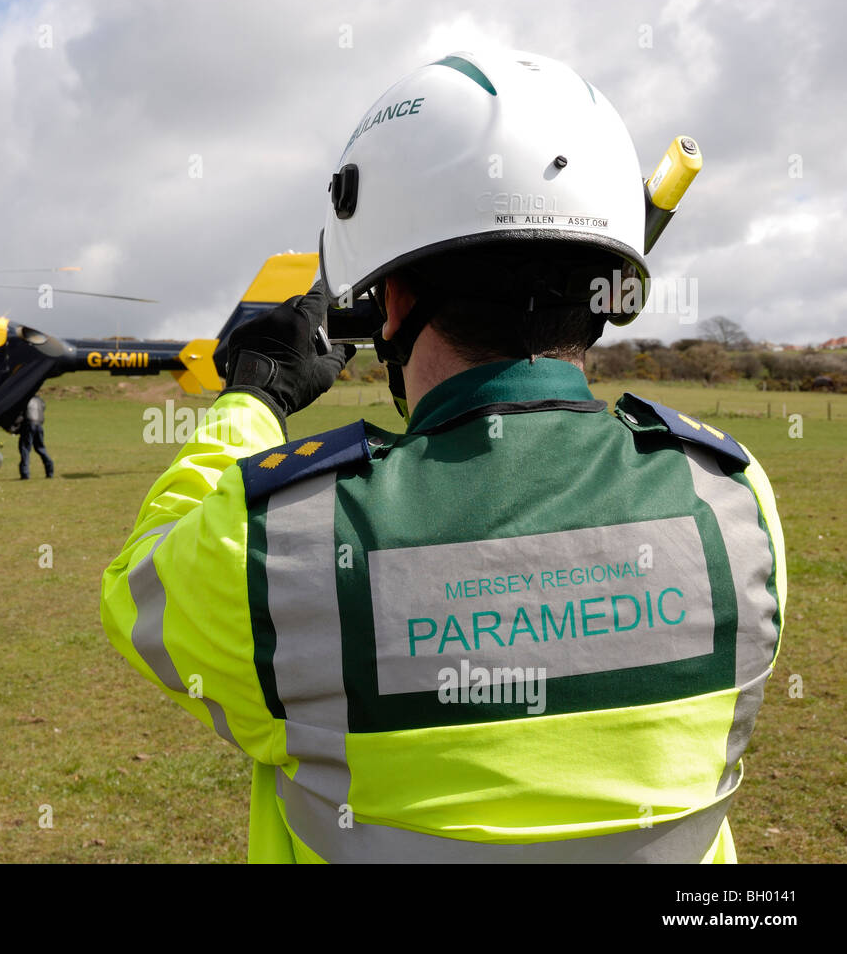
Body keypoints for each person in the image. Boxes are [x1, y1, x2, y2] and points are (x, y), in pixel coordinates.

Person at [100, 49, 785, 863]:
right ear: (608, 290)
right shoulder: (734, 499)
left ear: (390, 302)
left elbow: (140, 591)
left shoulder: (272, 542)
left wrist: (254, 399)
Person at [18, 393, 54, 479]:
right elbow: (43, 408)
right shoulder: (39, 400)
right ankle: (50, 471)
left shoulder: (24, 399)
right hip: (39, 425)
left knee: (25, 449)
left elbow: (20, 413)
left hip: (28, 425)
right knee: (40, 448)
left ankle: (25, 474)